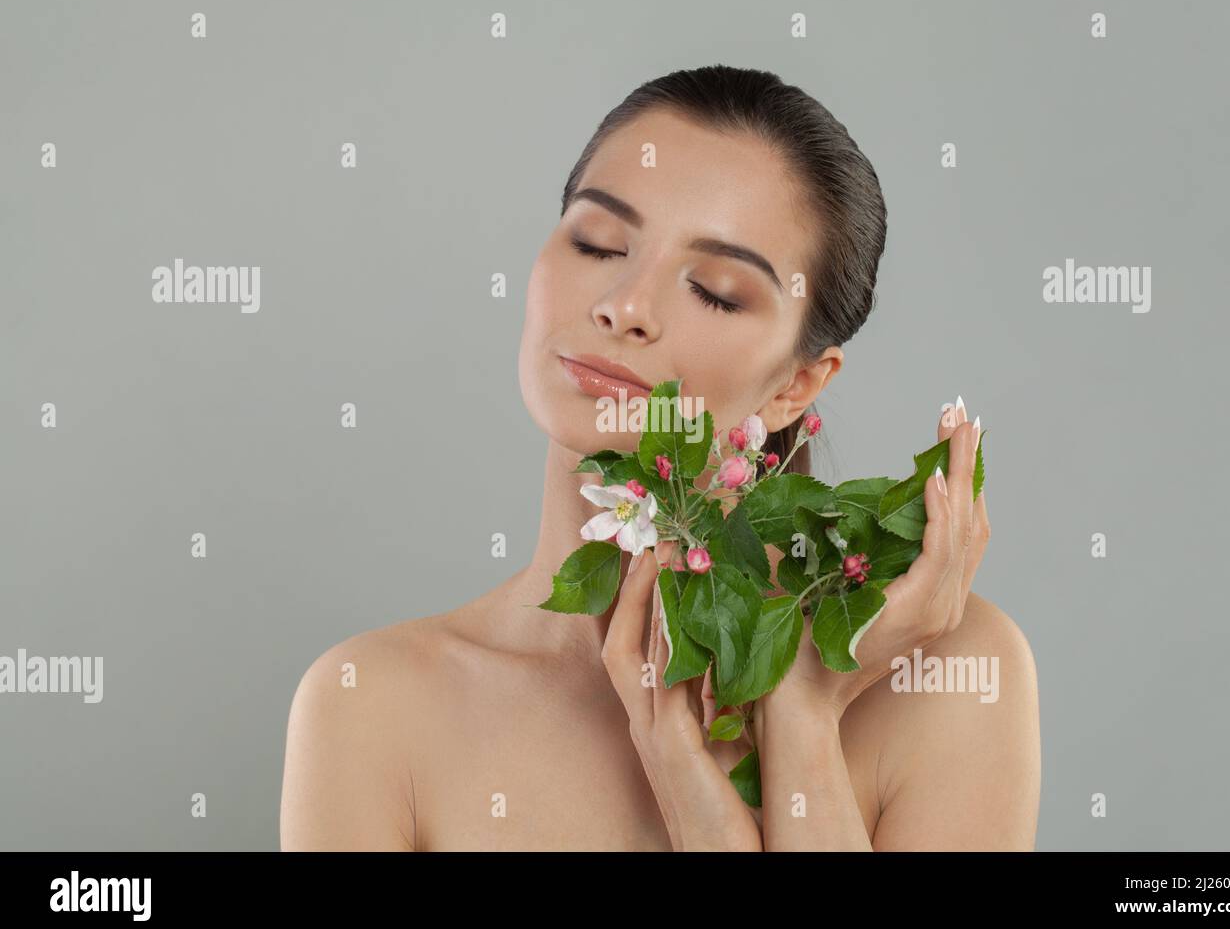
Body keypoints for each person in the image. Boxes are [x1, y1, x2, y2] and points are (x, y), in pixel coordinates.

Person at [279, 64, 1040, 851]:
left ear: (797, 385)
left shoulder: (948, 675)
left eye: (713, 289)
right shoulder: (370, 705)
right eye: (598, 242)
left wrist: (800, 716)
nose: (626, 307)